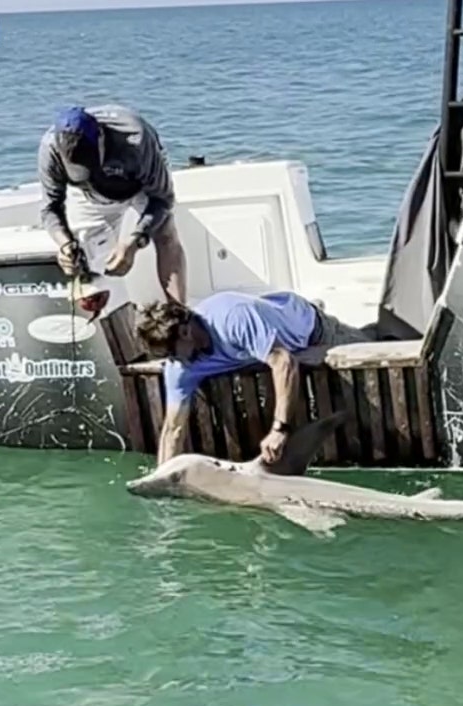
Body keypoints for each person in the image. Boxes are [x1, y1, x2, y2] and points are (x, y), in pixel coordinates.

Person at [135, 290, 371, 465]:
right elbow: (173, 428)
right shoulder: (180, 367)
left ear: (185, 331)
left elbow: (284, 362)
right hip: (274, 346)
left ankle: (376, 331)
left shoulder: (233, 318)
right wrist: (162, 481)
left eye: (171, 353)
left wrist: (279, 430)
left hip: (311, 331)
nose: (172, 362)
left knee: (377, 345)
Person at [37, 104, 187, 304]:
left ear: (101, 137)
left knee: (165, 230)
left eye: (89, 162)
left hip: (140, 185)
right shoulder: (50, 149)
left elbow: (162, 200)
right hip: (89, 194)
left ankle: (178, 313)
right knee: (82, 253)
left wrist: (135, 241)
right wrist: (64, 244)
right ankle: (112, 316)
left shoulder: (135, 137)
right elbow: (50, 208)